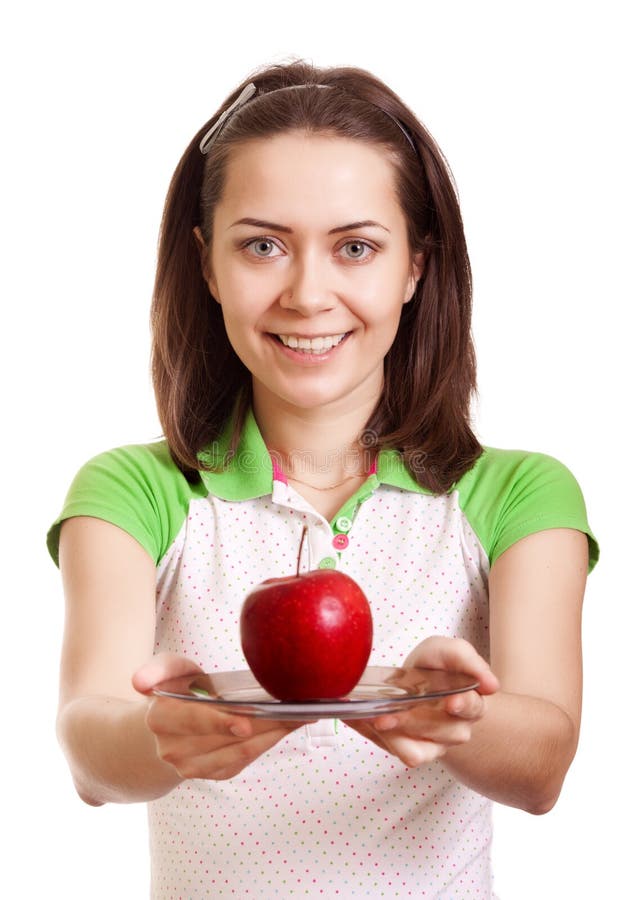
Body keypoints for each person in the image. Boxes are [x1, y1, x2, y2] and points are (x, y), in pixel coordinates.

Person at [48, 60, 598, 898]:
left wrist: (457, 714)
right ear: (206, 265)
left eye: (356, 247)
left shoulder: (520, 495)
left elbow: (543, 769)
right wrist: (158, 735)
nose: (309, 293)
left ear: (415, 265)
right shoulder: (134, 491)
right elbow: (90, 747)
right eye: (263, 245)